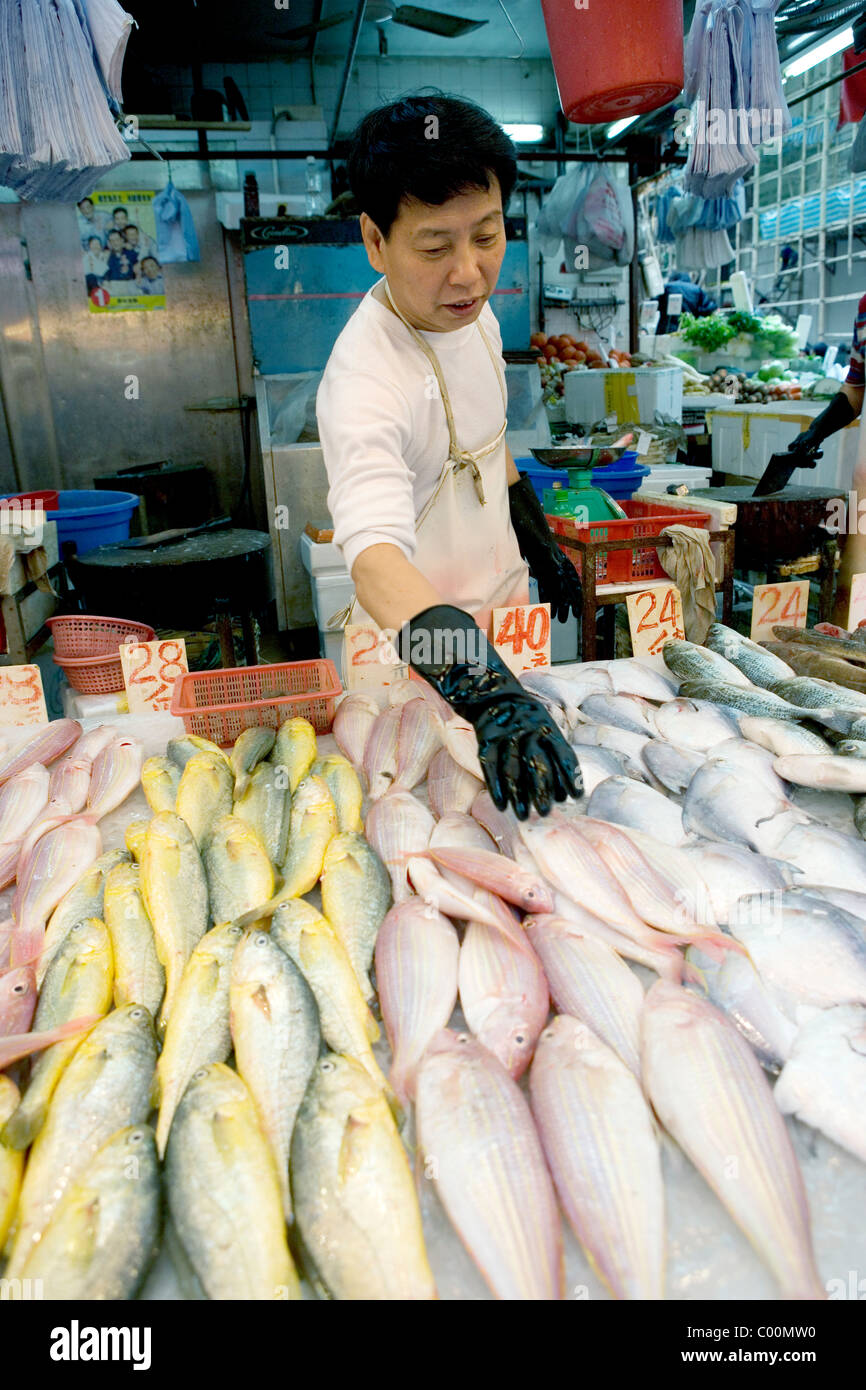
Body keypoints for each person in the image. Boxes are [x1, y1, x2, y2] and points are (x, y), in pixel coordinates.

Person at [317, 96, 582, 820]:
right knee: (427, 828)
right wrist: (485, 691)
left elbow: (486, 443)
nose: (468, 274)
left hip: (503, 624)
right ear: (375, 241)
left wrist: (536, 532)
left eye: (488, 236)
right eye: (435, 248)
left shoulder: (475, 314)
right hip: (419, 657)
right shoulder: (364, 379)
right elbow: (373, 564)